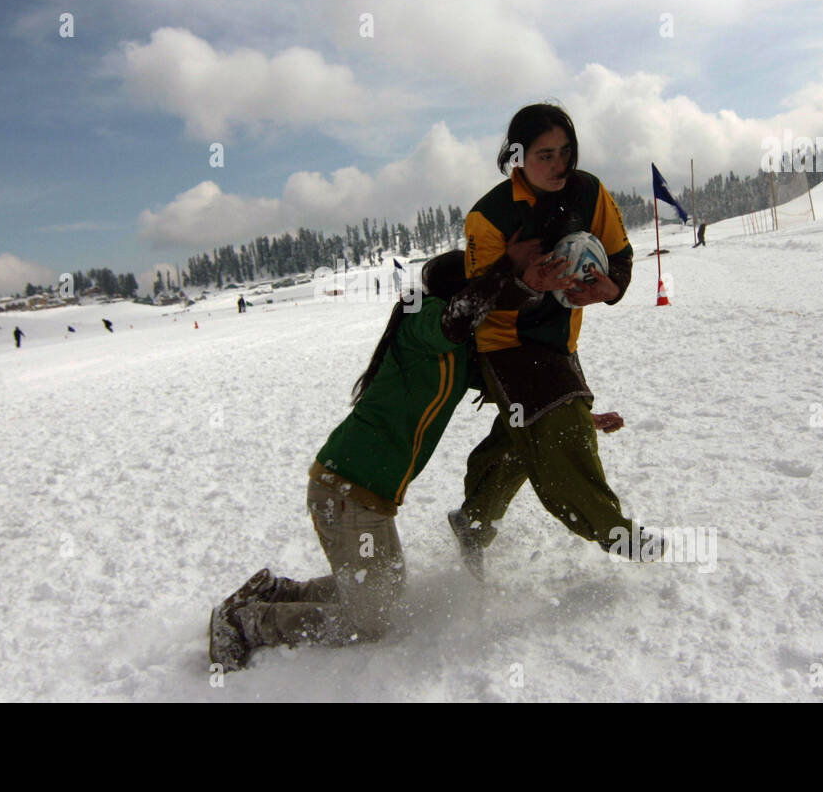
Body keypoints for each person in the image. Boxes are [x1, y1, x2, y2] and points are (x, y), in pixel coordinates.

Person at [209, 242, 573, 671]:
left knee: (387, 588)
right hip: (346, 490)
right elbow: (455, 320)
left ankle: (278, 592)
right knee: (367, 622)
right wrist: (502, 272)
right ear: (457, 294)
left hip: (370, 496)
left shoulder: (456, 352)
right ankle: (247, 622)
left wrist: (576, 409)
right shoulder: (424, 322)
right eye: (474, 295)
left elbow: (513, 388)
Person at [448, 103, 665, 578]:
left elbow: (619, 255)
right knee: (561, 420)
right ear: (518, 157)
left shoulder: (589, 191)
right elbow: (467, 308)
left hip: (558, 342)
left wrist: (612, 288)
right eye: (545, 155)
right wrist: (523, 280)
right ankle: (613, 529)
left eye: (566, 152)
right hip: (504, 344)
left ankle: (473, 521)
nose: (559, 165)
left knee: (519, 437)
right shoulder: (489, 216)